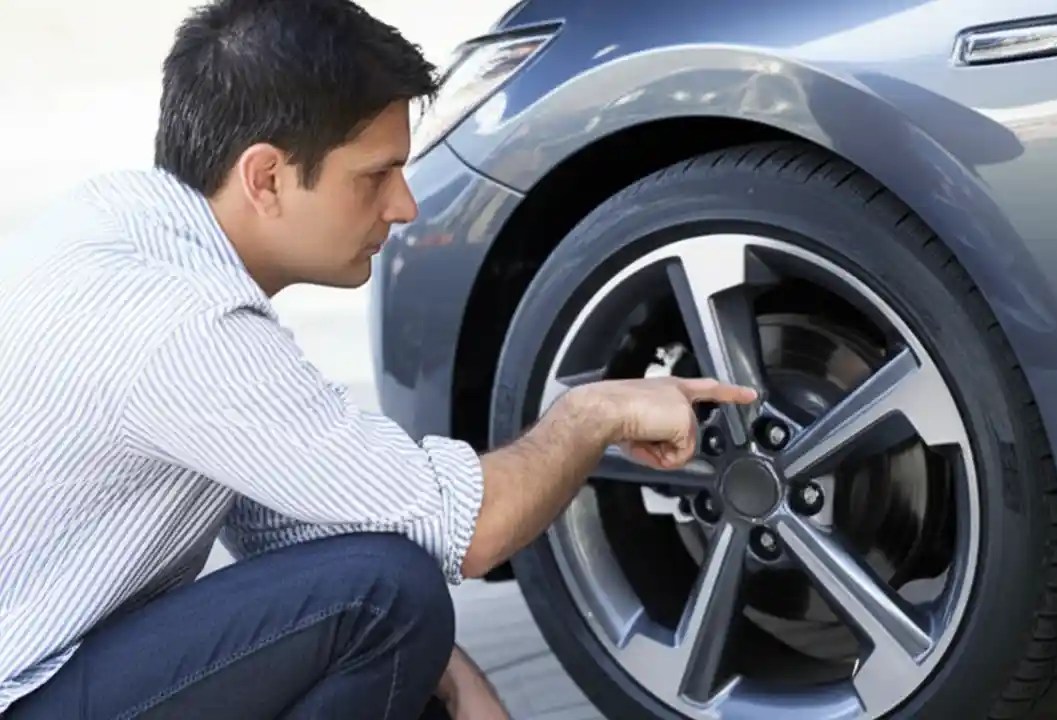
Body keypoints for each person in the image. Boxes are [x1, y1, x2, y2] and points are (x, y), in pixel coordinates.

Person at [0, 0, 756, 718]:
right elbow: (473, 524)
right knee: (387, 600)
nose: (404, 206)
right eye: (375, 176)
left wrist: (450, 670)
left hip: (45, 661)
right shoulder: (184, 323)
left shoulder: (116, 221)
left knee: (392, 630)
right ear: (266, 178)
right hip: (26, 688)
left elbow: (292, 518)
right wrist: (592, 412)